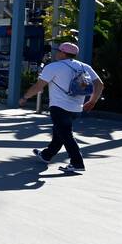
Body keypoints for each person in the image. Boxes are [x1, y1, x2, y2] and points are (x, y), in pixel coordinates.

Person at [20, 41, 104, 173]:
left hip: (59, 107)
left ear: (63, 53)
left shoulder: (53, 67)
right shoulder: (84, 67)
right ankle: (46, 155)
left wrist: (25, 97)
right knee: (60, 132)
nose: (56, 53)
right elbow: (99, 84)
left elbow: (38, 86)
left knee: (66, 135)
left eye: (58, 51)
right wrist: (93, 101)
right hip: (76, 108)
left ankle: (77, 163)